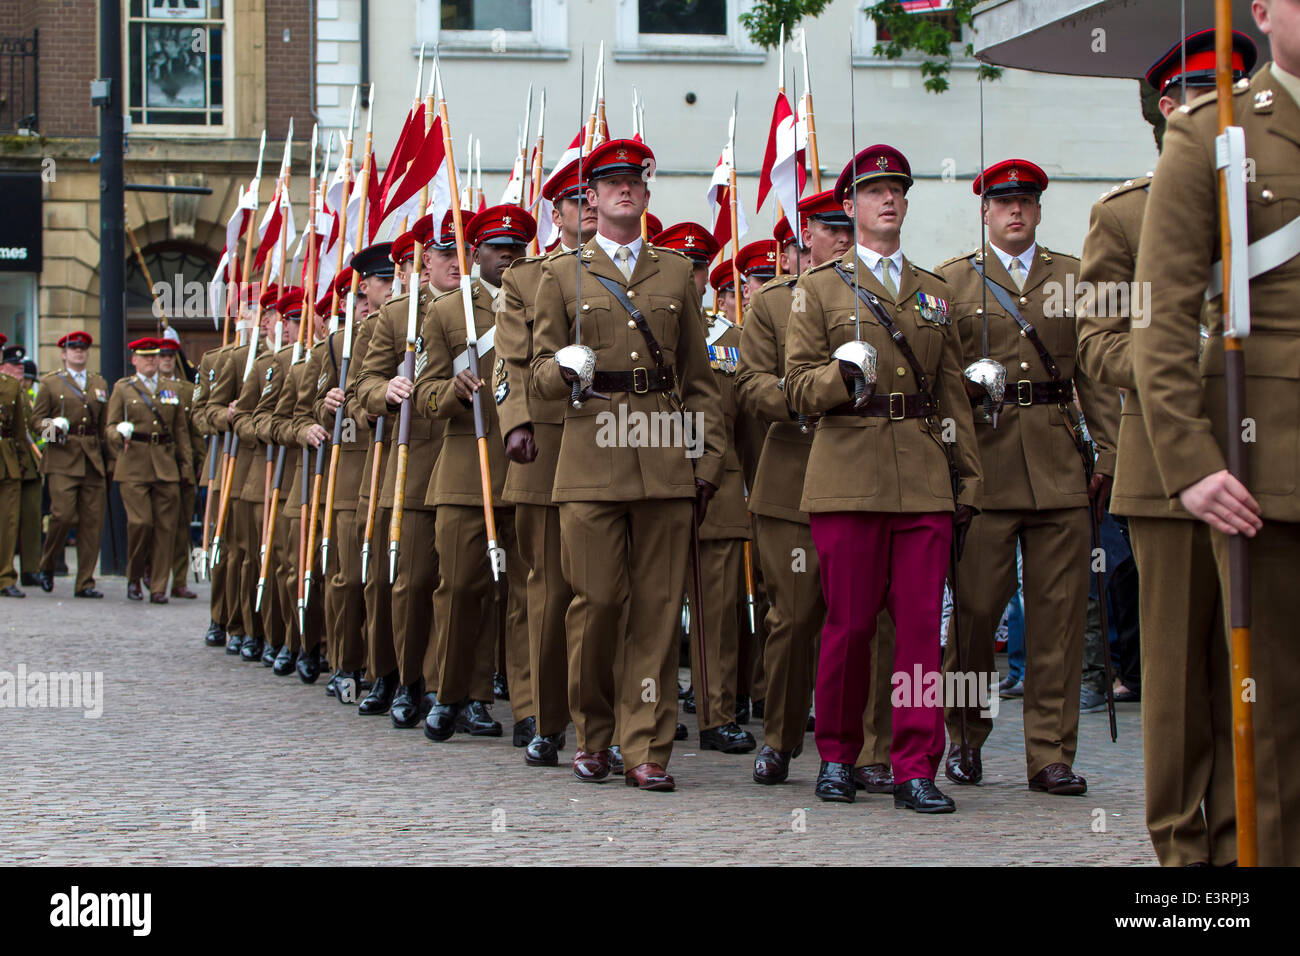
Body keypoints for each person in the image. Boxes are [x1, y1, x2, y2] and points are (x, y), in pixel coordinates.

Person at [1132, 2, 1300, 863]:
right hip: (1259, 467)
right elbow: (1151, 323)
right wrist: (1192, 460)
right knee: (1251, 718)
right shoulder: (1212, 138)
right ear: (1265, 12)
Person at [784, 145, 981, 813]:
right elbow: (795, 386)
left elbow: (951, 393)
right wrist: (839, 377)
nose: (887, 199)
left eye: (897, 188)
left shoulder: (934, 292)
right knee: (849, 624)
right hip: (847, 473)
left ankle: (914, 765)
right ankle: (838, 755)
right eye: (873, 191)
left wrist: (968, 479)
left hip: (922, 475)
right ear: (850, 206)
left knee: (924, 630)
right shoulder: (818, 288)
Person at [530, 138, 727, 791]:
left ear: (646, 193)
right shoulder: (562, 275)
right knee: (598, 601)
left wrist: (704, 465)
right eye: (608, 182)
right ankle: (593, 730)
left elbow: (699, 380)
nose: (622, 191)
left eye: (633, 182)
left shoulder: (673, 274)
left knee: (657, 610)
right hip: (590, 457)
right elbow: (533, 376)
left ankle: (647, 748)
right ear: (590, 196)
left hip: (664, 457)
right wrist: (560, 370)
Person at [936, 158, 1119, 796]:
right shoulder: (952, 282)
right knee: (976, 617)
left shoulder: (1072, 278)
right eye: (1003, 202)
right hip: (984, 466)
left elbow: (1093, 374)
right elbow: (940, 388)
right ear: (984, 210)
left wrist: (1111, 456)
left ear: (1039, 210)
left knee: (1057, 618)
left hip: (1058, 465)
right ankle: (963, 737)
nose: (1015, 211)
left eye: (1026, 202)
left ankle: (1050, 755)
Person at [415, 204, 533, 745]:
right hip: (468, 466)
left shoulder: (540, 299)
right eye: (497, 248)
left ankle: (517, 705)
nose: (508, 256)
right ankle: (448, 691)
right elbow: (423, 393)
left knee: (522, 593)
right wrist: (452, 392)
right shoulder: (447, 312)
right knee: (462, 587)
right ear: (476, 253)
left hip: (528, 465)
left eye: (516, 248)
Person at [498, 158, 597, 766]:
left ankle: (607, 720)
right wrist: (517, 425)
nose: (588, 204)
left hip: (618, 442)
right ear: (553, 212)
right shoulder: (526, 278)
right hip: (549, 447)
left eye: (595, 193)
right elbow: (509, 365)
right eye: (573, 197)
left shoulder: (644, 272)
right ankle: (541, 712)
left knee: (611, 592)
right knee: (550, 589)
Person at [656, 220, 756, 755]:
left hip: (717, 486)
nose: (691, 278)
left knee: (716, 611)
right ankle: (654, 707)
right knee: (653, 605)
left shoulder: (731, 340)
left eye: (698, 268)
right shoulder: (645, 329)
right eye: (682, 266)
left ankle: (717, 717)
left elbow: (745, 425)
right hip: (653, 480)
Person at [105, 337, 193, 604]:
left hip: (166, 465)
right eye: (145, 357)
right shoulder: (123, 388)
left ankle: (158, 586)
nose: (151, 361)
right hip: (134, 464)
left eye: (154, 357)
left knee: (167, 528)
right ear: (134, 360)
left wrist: (187, 467)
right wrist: (119, 433)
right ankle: (134, 576)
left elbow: (180, 432)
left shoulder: (171, 389)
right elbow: (109, 427)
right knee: (140, 524)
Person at [31, 332, 108, 598]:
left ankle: (85, 581)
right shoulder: (51, 384)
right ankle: (48, 564)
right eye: (73, 348)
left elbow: (103, 425)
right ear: (64, 353)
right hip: (62, 457)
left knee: (92, 523)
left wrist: (110, 459)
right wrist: (53, 428)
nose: (79, 352)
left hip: (92, 459)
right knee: (62, 515)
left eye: (83, 348)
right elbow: (36, 425)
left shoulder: (99, 383)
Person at [158, 336, 201, 599]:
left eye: (168, 355)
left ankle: (180, 580)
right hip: (150, 464)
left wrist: (199, 461)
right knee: (153, 524)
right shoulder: (134, 388)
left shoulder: (186, 390)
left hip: (181, 464)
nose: (164, 360)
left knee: (182, 525)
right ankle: (151, 573)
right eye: (159, 355)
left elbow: (194, 430)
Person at [1, 344, 41, 587]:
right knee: (9, 521)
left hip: (27, 462)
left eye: (21, 368)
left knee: (32, 519)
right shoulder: (12, 390)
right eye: (14, 366)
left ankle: (30, 569)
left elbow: (34, 425)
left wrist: (58, 434)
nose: (19, 371)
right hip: (10, 459)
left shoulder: (26, 393)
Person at [0, 333, 30, 597]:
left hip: (8, 458)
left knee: (9, 523)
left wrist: (22, 461)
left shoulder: (11, 387)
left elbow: (21, 428)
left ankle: (6, 576)